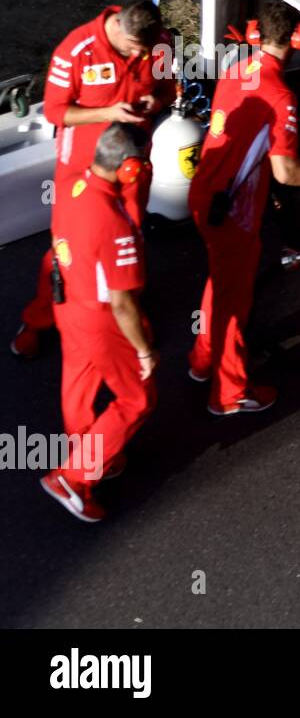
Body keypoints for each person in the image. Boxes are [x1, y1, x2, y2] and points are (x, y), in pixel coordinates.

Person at [187, 0, 300, 416]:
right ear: (298, 39)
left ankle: (202, 359)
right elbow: (287, 171)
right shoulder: (280, 94)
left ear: (255, 35)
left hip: (206, 194)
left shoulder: (236, 70)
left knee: (220, 283)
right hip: (233, 211)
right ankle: (229, 393)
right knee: (235, 300)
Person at [11, 1, 171, 359]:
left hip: (131, 164)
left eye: (145, 51)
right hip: (81, 168)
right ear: (119, 27)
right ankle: (39, 318)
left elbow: (167, 89)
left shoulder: (160, 42)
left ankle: (127, 315)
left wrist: (155, 102)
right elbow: (55, 111)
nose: (139, 55)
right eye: (133, 48)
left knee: (129, 239)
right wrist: (107, 112)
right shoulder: (76, 49)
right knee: (67, 247)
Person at [39, 123, 156, 522]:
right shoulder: (115, 223)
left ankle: (92, 454)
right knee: (137, 397)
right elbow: (123, 304)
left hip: (68, 301)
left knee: (80, 383)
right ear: (126, 168)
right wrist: (143, 350)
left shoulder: (73, 186)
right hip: (101, 316)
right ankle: (73, 477)